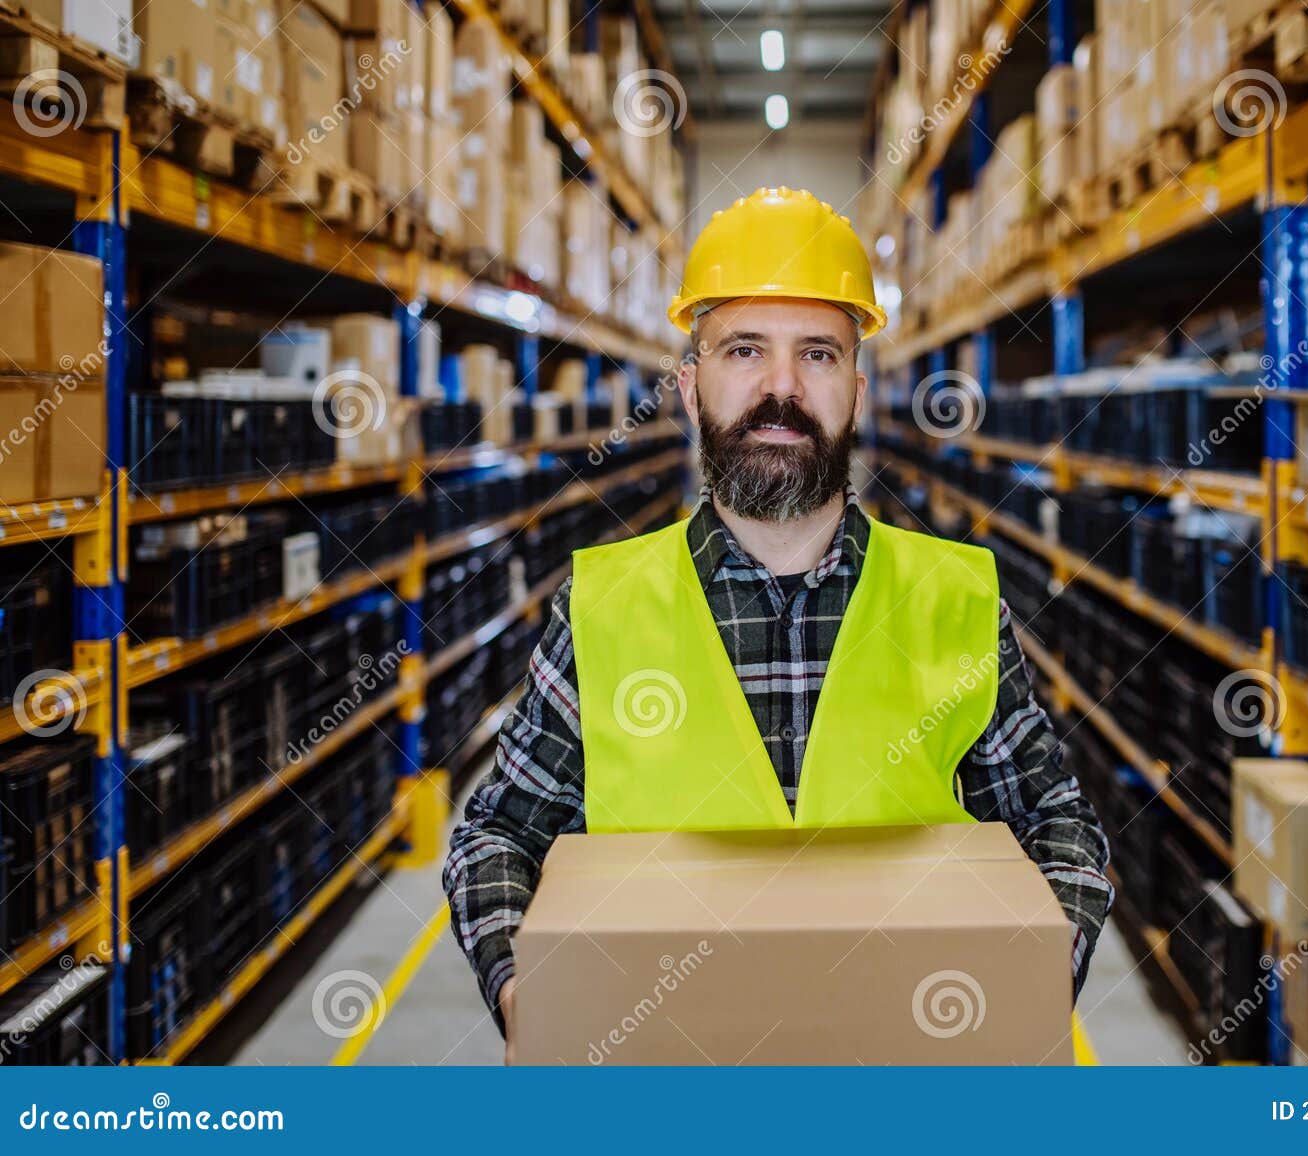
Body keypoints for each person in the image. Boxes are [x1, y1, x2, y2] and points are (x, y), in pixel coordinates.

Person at [443, 187, 1112, 1047]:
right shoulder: (602, 607)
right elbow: (496, 835)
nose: (782, 388)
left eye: (820, 355)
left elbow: (1059, 825)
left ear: (858, 392)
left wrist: (1031, 984)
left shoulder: (955, 600)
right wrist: (526, 1000)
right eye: (745, 350)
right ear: (690, 389)